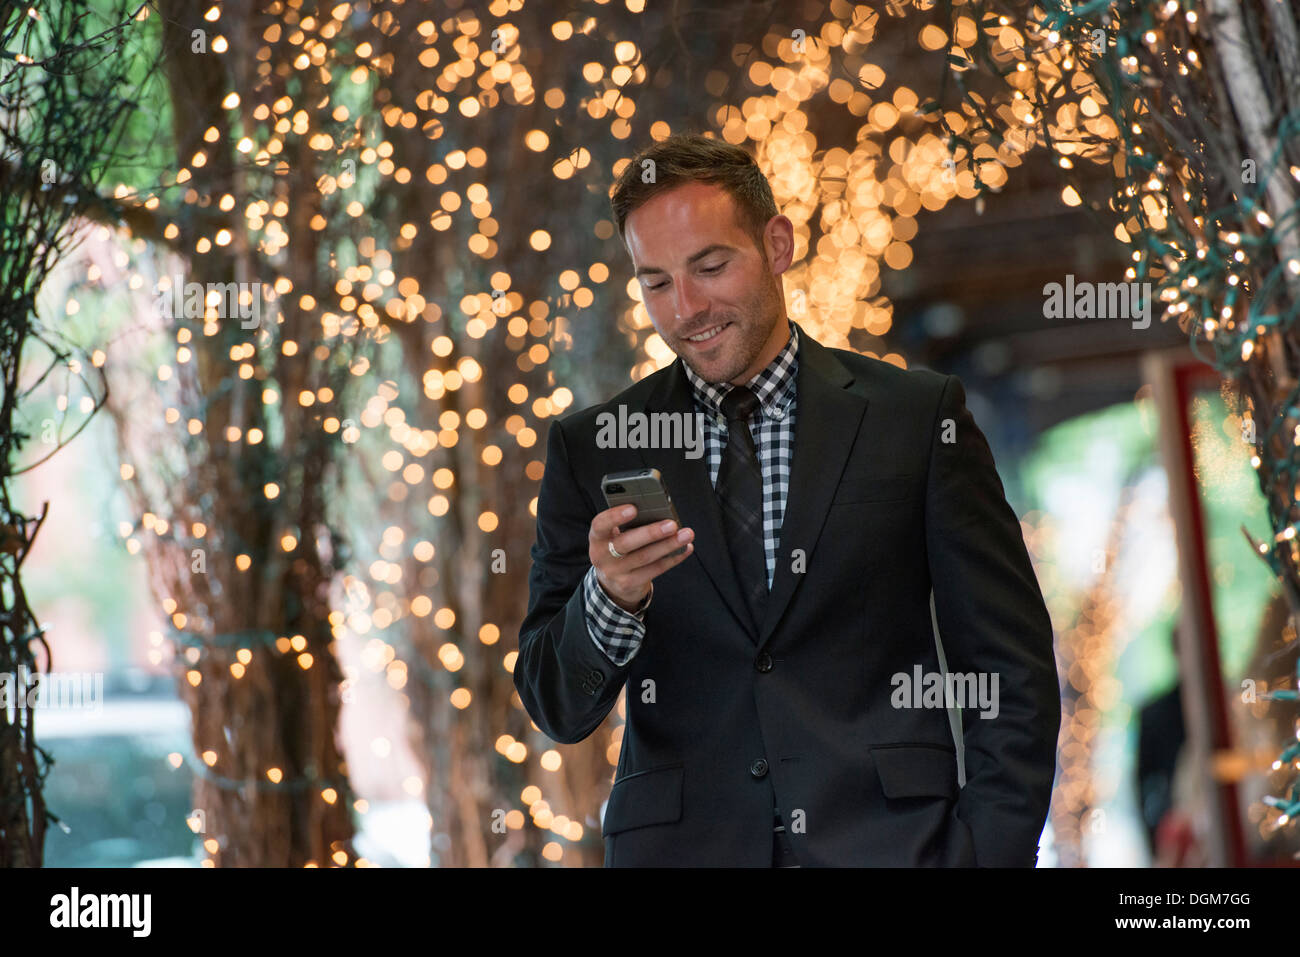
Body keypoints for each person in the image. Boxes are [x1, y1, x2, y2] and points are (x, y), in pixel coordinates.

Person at [514, 132, 1061, 866]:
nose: (688, 307)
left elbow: (1008, 667)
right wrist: (609, 597)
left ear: (777, 243)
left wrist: (986, 852)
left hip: (896, 847)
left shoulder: (916, 417)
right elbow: (556, 705)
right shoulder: (593, 448)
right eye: (657, 282)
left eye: (710, 266)